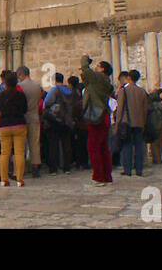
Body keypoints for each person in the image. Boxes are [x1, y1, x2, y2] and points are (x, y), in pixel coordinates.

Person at [81, 56, 113, 186]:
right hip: (103, 115)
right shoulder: (105, 81)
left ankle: (99, 177)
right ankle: (107, 176)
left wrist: (85, 58)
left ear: (103, 69)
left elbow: (85, 69)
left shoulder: (98, 78)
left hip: (96, 115)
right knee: (103, 147)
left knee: (93, 147)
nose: (96, 67)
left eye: (98, 66)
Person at [0, 72, 28, 187]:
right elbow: (25, 109)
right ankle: (19, 179)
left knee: (5, 153)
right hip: (19, 124)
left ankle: (4, 179)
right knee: (19, 153)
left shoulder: (1, 95)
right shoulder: (21, 95)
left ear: (5, 82)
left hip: (5, 125)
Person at [115, 71, 148, 176]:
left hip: (127, 122)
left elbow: (120, 109)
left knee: (127, 147)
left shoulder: (123, 91)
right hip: (139, 122)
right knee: (139, 147)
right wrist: (143, 122)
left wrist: (117, 123)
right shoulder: (142, 91)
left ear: (128, 77)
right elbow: (145, 109)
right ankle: (139, 170)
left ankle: (128, 169)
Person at [42, 73, 74, 175]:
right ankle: (67, 167)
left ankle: (53, 169)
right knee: (66, 144)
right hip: (67, 120)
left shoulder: (54, 90)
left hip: (56, 120)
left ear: (54, 80)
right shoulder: (69, 91)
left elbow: (47, 102)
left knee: (53, 145)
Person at [16, 66, 43, 179]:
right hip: (34, 116)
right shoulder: (37, 86)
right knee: (34, 143)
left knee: (21, 144)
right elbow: (40, 102)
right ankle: (35, 167)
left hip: (22, 117)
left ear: (21, 74)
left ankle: (21, 168)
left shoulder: (19, 86)